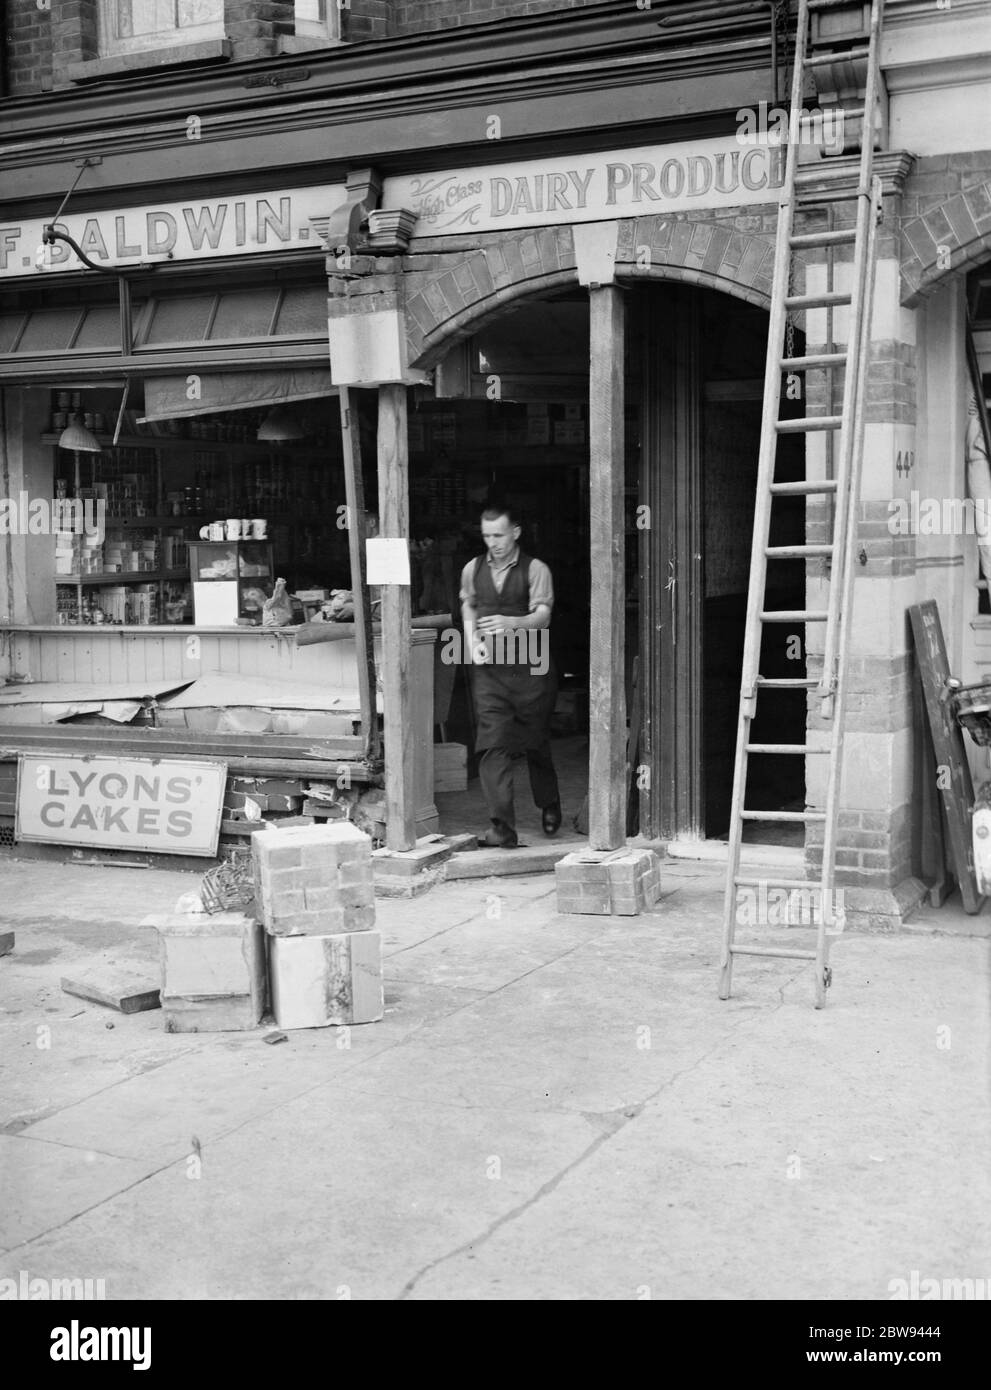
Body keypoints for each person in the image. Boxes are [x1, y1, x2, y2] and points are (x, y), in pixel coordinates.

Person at [460, 505, 561, 847]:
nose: (493, 543)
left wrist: (512, 623)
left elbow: (543, 616)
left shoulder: (537, 570)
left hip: (531, 670)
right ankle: (502, 827)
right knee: (492, 743)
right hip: (489, 671)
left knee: (534, 741)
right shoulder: (472, 568)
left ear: (515, 532)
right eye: (487, 536)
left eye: (499, 535)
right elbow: (468, 605)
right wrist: (472, 639)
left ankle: (549, 802)